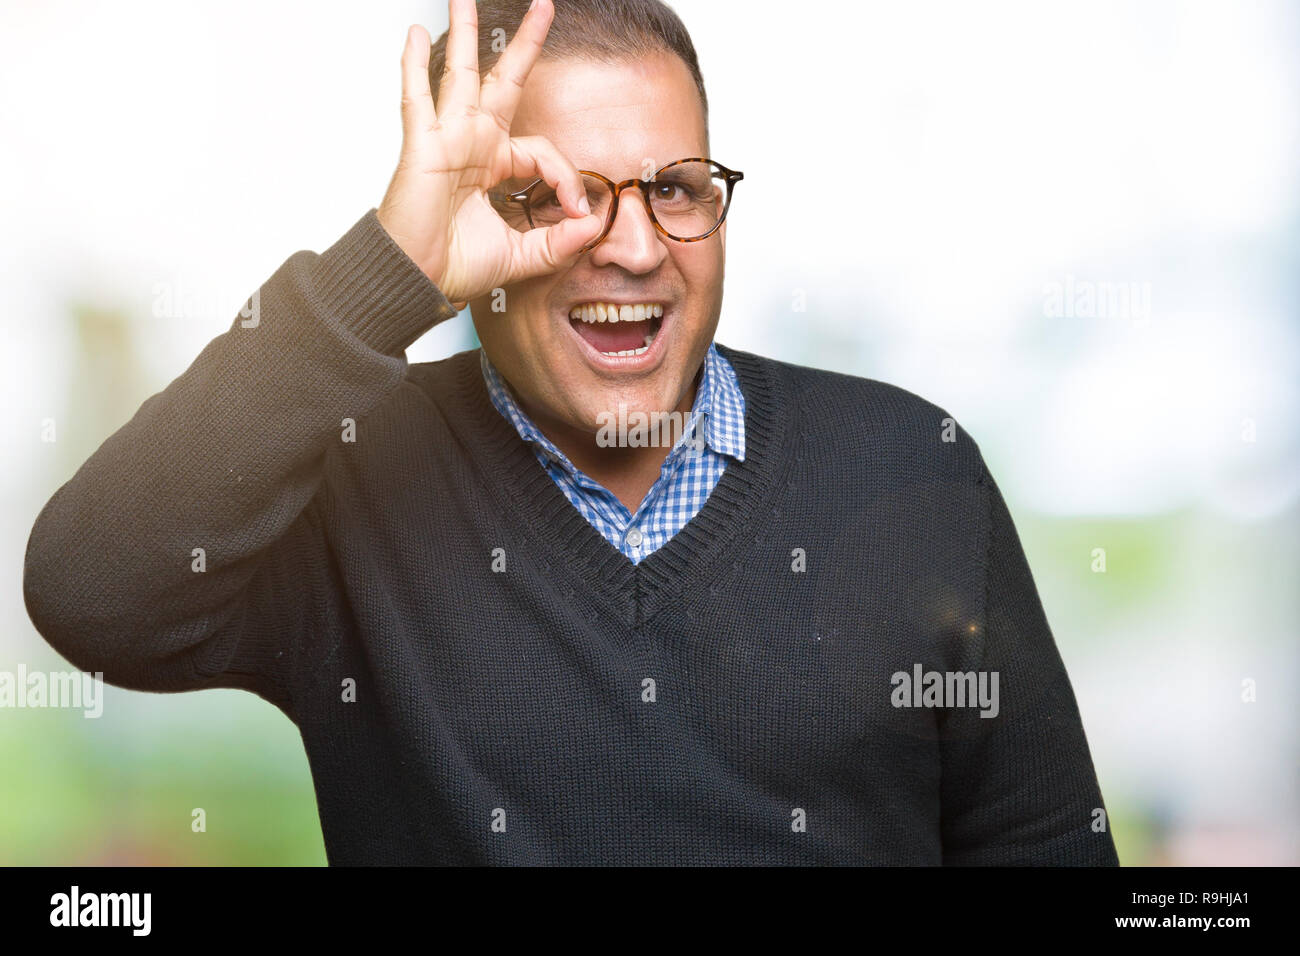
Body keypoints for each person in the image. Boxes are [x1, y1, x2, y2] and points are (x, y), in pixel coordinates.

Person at [23, 0, 1119, 865]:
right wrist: (387, 277)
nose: (635, 247)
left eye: (676, 188)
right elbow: (91, 587)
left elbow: (1042, 847)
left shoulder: (906, 466)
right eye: (563, 196)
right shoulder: (355, 480)